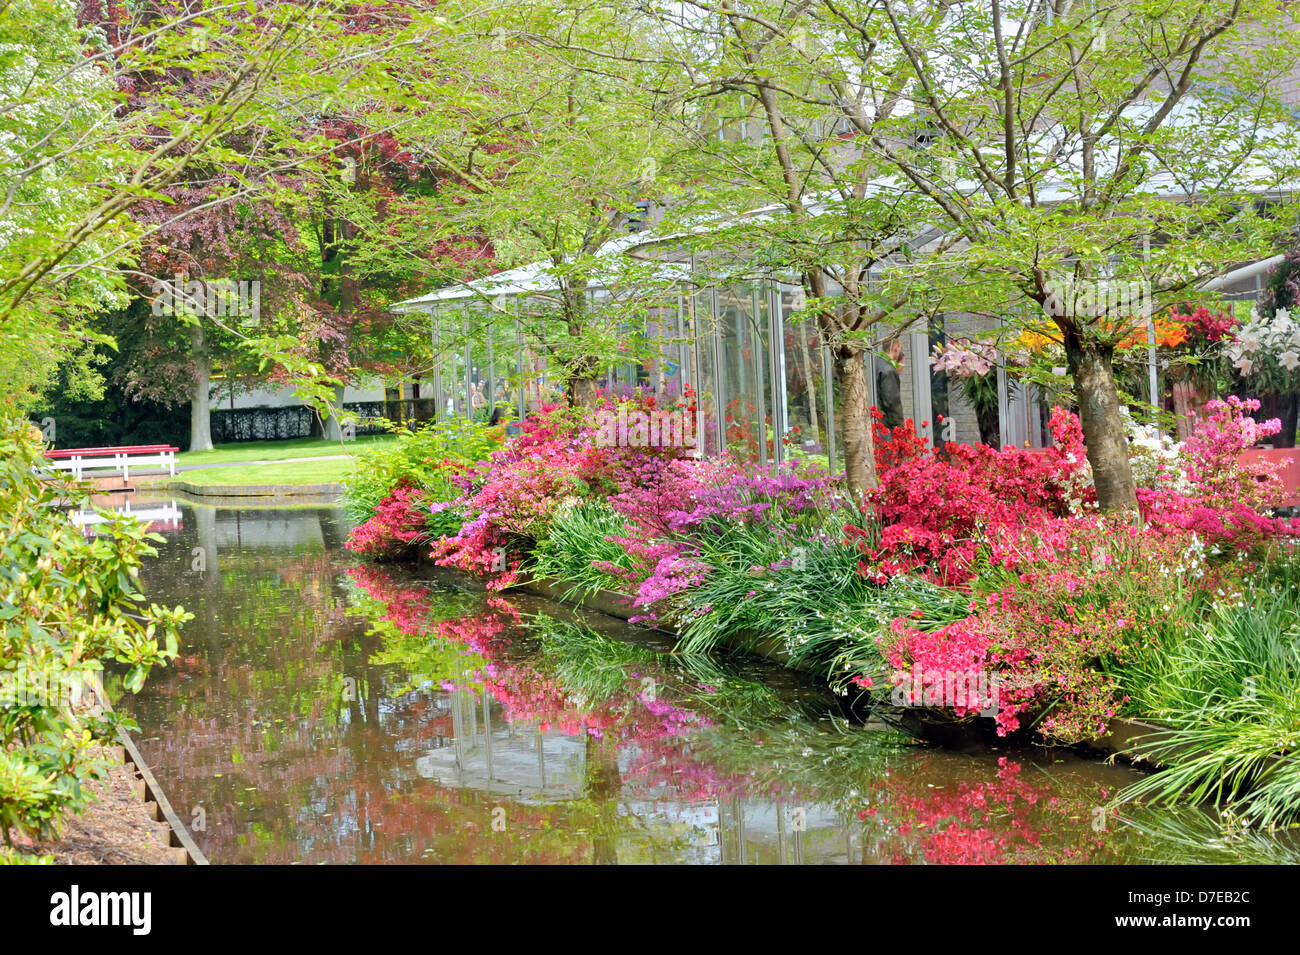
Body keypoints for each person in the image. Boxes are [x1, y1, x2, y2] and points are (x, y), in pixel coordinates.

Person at [874, 339, 905, 430]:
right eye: (900, 348)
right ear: (896, 348)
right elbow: (892, 402)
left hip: (875, 419)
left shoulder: (875, 363)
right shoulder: (889, 370)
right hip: (885, 424)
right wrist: (900, 427)